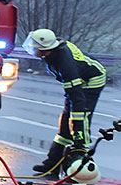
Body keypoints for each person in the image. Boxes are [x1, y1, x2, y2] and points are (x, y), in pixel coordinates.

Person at [22, 28, 107, 175]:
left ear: (45, 49)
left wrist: (78, 128)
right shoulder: (52, 55)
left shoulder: (65, 64)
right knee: (65, 122)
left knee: (81, 117)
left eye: (35, 48)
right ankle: (52, 164)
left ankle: (81, 164)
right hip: (77, 81)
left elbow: (77, 98)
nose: (33, 50)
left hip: (92, 80)